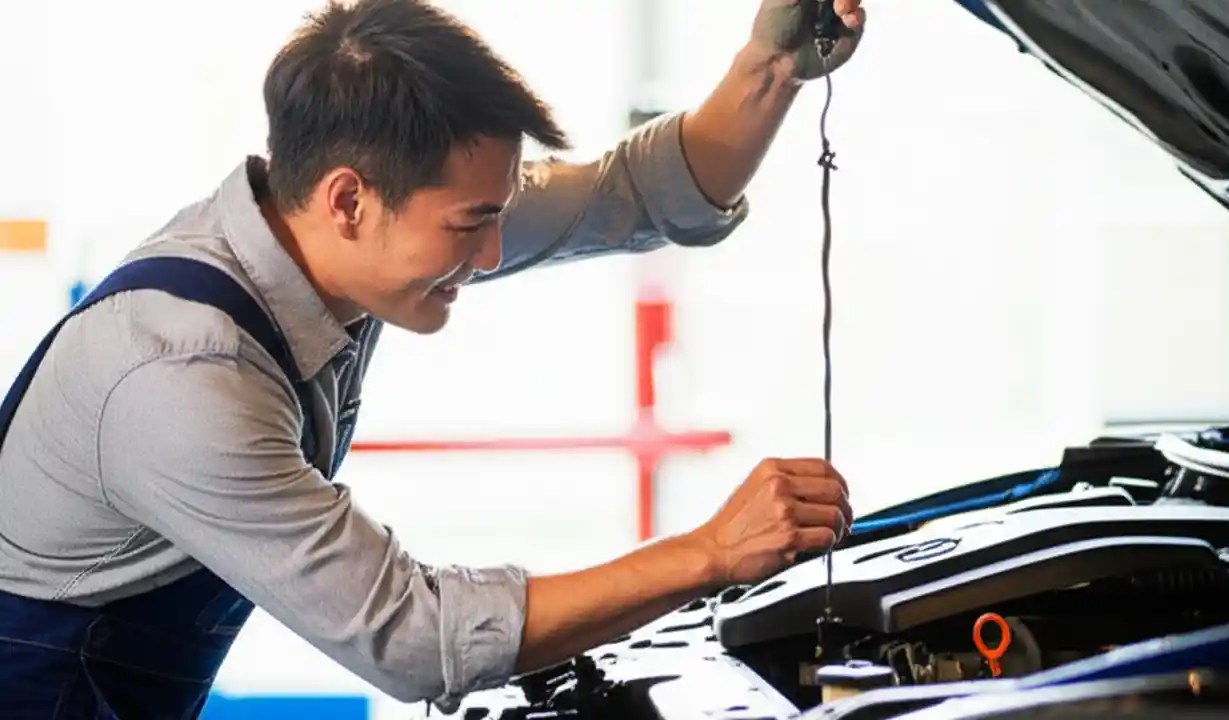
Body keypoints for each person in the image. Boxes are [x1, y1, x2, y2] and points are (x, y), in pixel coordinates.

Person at [0, 0, 866, 716]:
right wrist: (712, 552)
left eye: (496, 213)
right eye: (471, 224)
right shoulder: (182, 378)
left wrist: (770, 66)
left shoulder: (325, 233)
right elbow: (416, 639)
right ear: (348, 199)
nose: (492, 253)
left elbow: (628, 193)